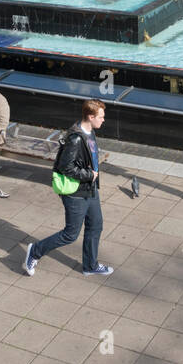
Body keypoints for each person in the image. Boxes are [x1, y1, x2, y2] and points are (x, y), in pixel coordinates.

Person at [23, 100, 112, 278]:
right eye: (101, 117)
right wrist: (89, 175)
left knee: (95, 225)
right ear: (91, 116)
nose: (104, 120)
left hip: (90, 188)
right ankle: (35, 251)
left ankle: (90, 265)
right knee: (70, 234)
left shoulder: (90, 131)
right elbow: (66, 167)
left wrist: (92, 178)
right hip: (76, 192)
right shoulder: (76, 138)